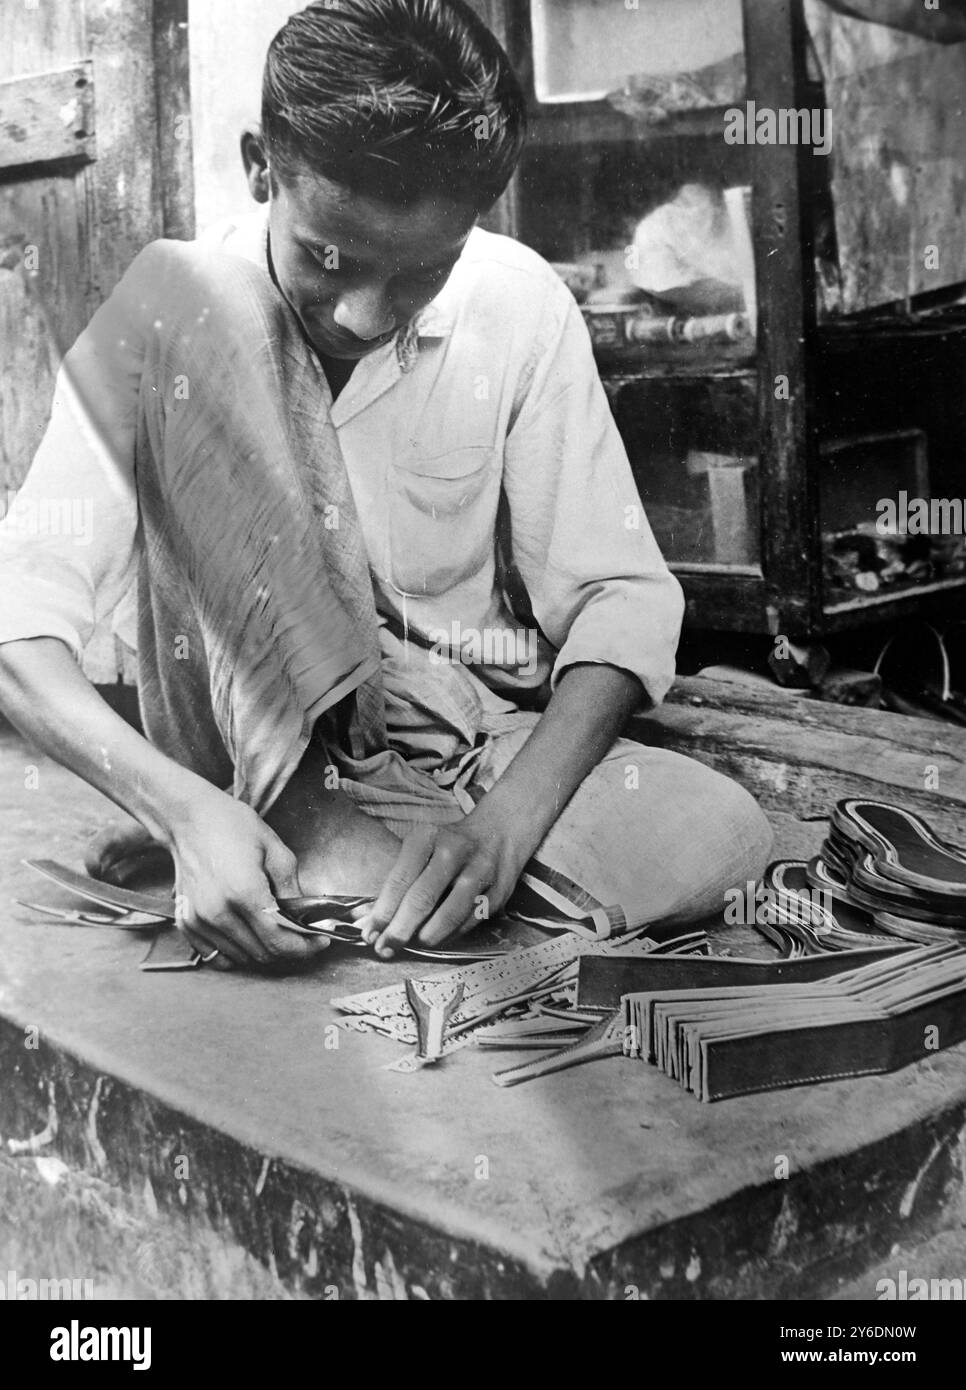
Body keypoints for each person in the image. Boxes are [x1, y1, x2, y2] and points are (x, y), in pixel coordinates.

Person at [0, 0, 772, 973]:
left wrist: (501, 828)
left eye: (421, 273)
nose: (365, 313)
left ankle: (370, 885)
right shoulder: (168, 319)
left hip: (463, 747)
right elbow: (15, 628)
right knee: (200, 297)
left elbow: (618, 604)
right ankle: (287, 821)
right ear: (258, 167)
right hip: (246, 753)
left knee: (719, 834)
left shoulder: (513, 300)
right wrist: (179, 803)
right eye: (331, 257)